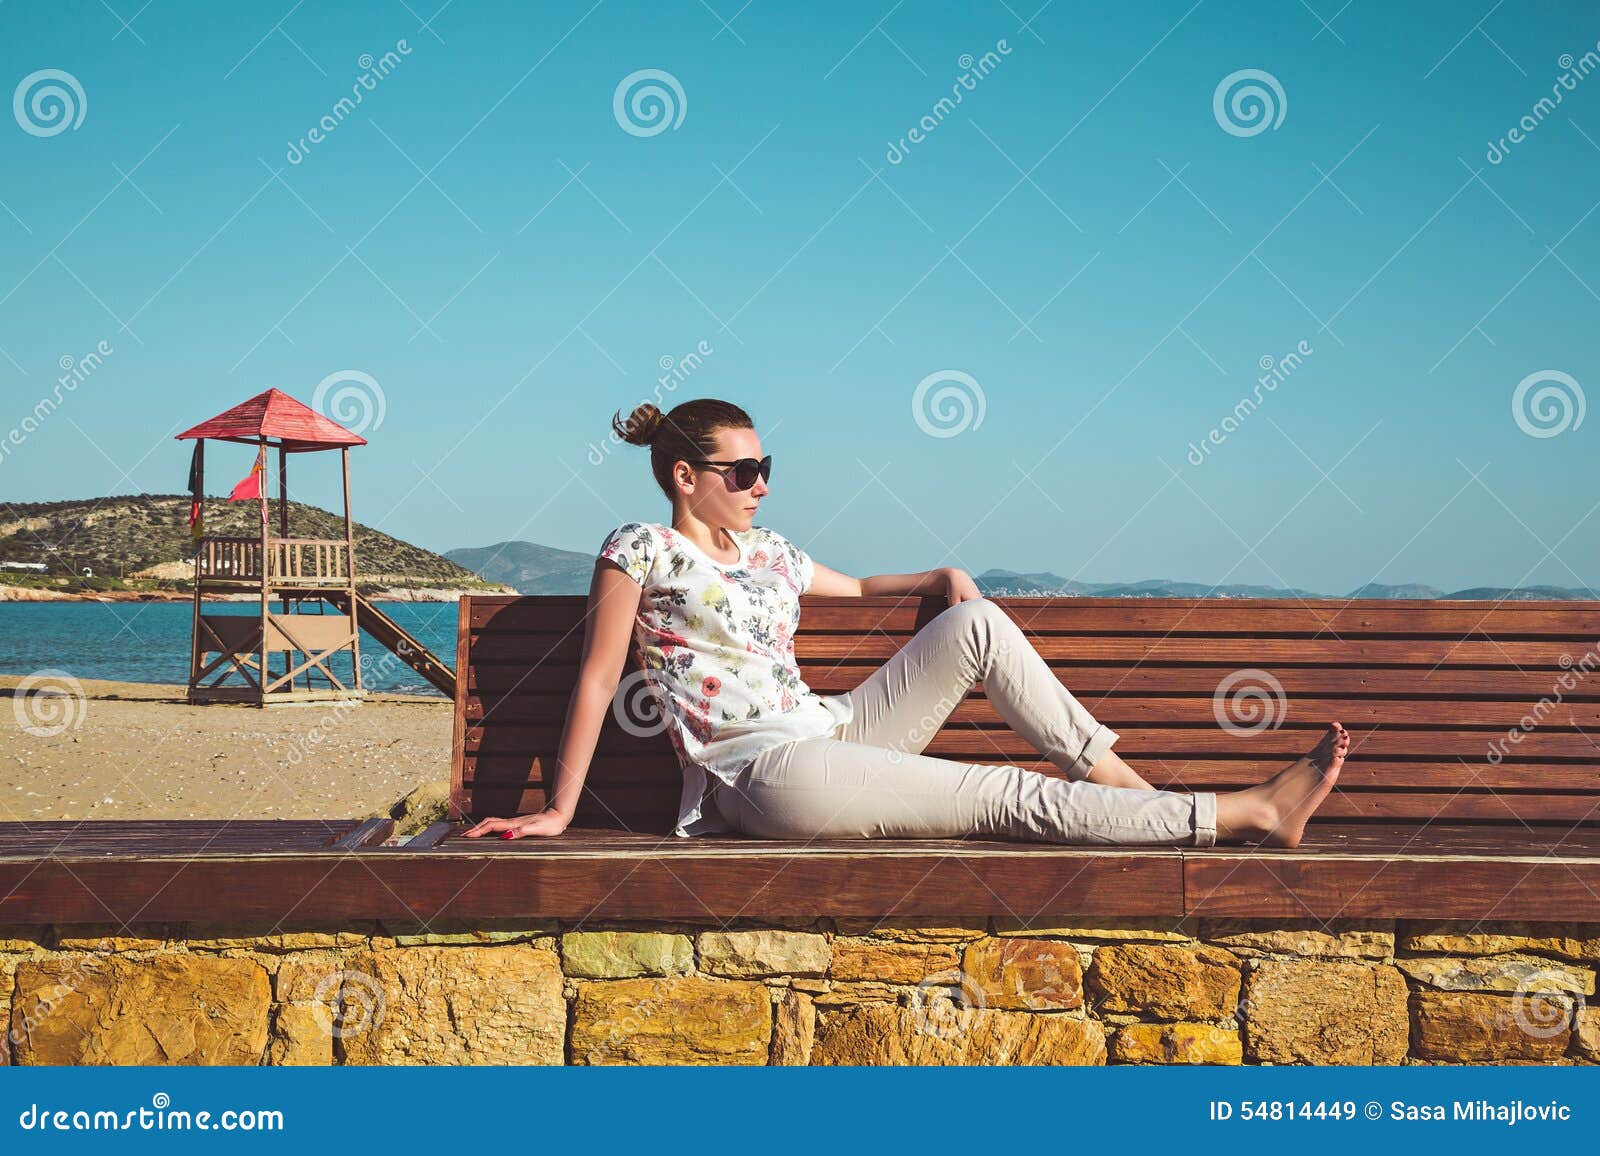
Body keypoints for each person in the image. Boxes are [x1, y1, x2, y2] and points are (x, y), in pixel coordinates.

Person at [464, 398, 1348, 845]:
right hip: (761, 774)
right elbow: (594, 677)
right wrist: (557, 811)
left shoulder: (769, 550)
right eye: (742, 472)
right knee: (1006, 798)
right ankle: (1243, 814)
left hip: (834, 731)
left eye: (766, 466)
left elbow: (855, 588)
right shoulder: (642, 548)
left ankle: (1132, 794)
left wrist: (938, 576)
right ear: (685, 477)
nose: (762, 483)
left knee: (981, 625)